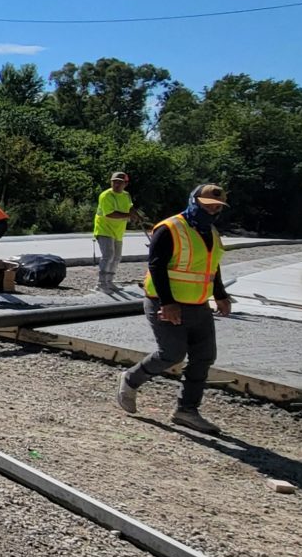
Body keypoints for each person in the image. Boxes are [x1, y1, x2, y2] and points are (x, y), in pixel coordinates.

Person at [116, 184, 233, 434]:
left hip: (198, 305)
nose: (212, 210)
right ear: (194, 201)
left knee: (203, 357)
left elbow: (212, 267)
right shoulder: (169, 228)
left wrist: (220, 295)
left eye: (217, 207)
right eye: (207, 205)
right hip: (164, 302)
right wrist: (168, 303)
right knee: (171, 354)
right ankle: (130, 380)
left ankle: (186, 410)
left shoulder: (210, 232)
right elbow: (156, 266)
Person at [92, 172, 143, 290]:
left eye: (120, 182)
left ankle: (109, 281)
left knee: (117, 257)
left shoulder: (126, 195)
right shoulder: (106, 195)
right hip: (104, 229)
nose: (116, 184)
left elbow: (130, 207)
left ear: (126, 183)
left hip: (118, 231)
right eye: (114, 182)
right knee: (108, 255)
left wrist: (137, 216)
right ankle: (101, 283)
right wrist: (129, 217)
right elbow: (109, 214)